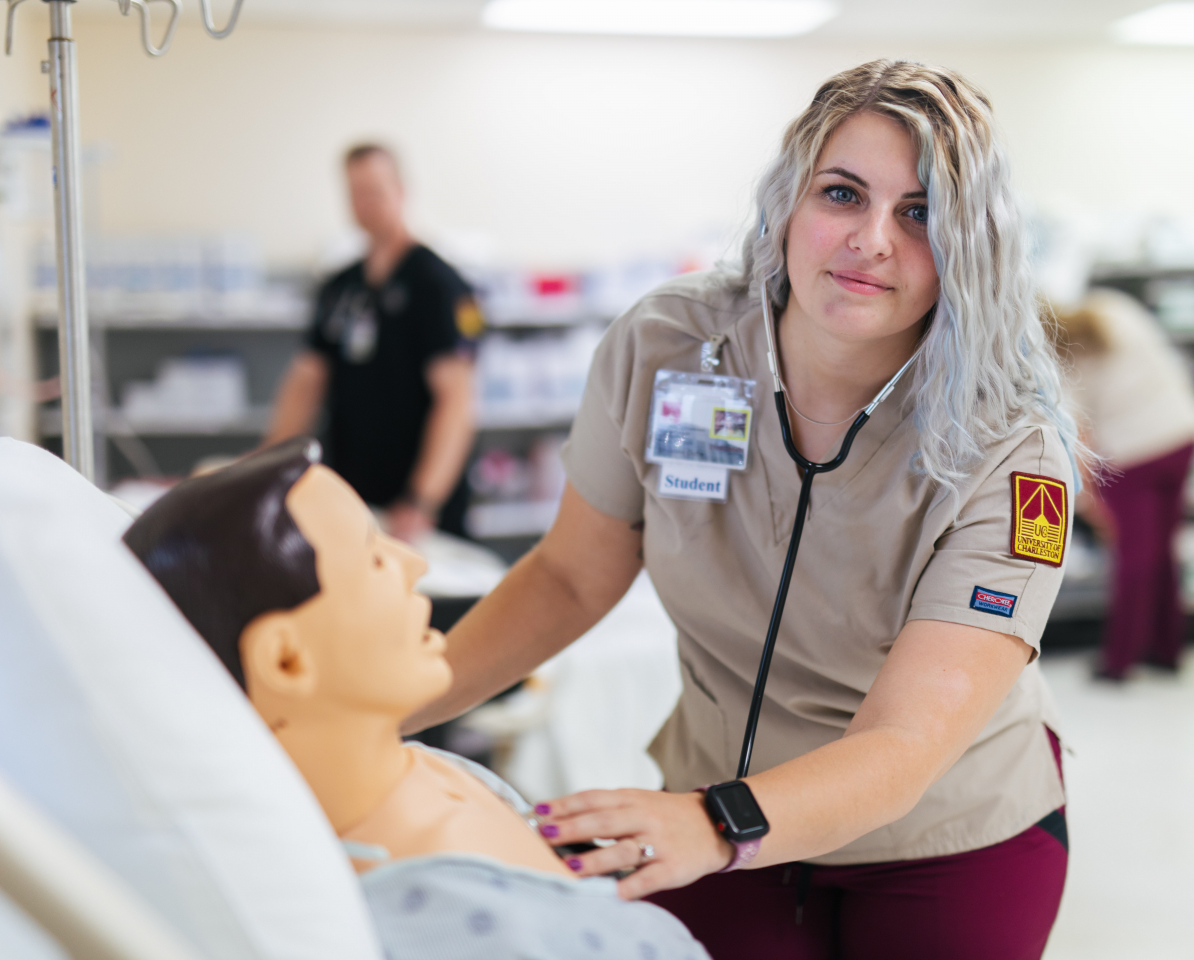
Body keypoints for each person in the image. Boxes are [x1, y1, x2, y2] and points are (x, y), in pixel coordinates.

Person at [409, 60, 1080, 959]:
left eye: (921, 214)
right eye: (842, 194)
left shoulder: (1015, 457)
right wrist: (385, 711)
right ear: (786, 204)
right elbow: (571, 577)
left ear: (973, 245)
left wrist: (714, 824)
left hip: (941, 839)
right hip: (715, 807)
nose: (872, 239)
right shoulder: (670, 347)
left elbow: (904, 745)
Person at [123, 439, 709, 960]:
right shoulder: (431, 918)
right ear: (287, 661)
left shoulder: (432, 771)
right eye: (374, 557)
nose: (416, 563)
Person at [264, 144, 483, 542]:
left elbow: (457, 401)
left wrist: (422, 500)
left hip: (419, 510)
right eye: (354, 193)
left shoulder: (438, 285)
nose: (364, 203)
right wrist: (263, 470)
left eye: (374, 191)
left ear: (401, 191)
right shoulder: (339, 287)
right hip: (353, 494)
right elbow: (306, 381)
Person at [1045, 289, 1194, 680]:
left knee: (1133, 558)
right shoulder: (1115, 306)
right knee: (1163, 551)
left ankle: (1119, 660)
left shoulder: (1066, 365)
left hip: (1134, 455)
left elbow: (1079, 439)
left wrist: (1090, 505)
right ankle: (1167, 651)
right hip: (1182, 434)